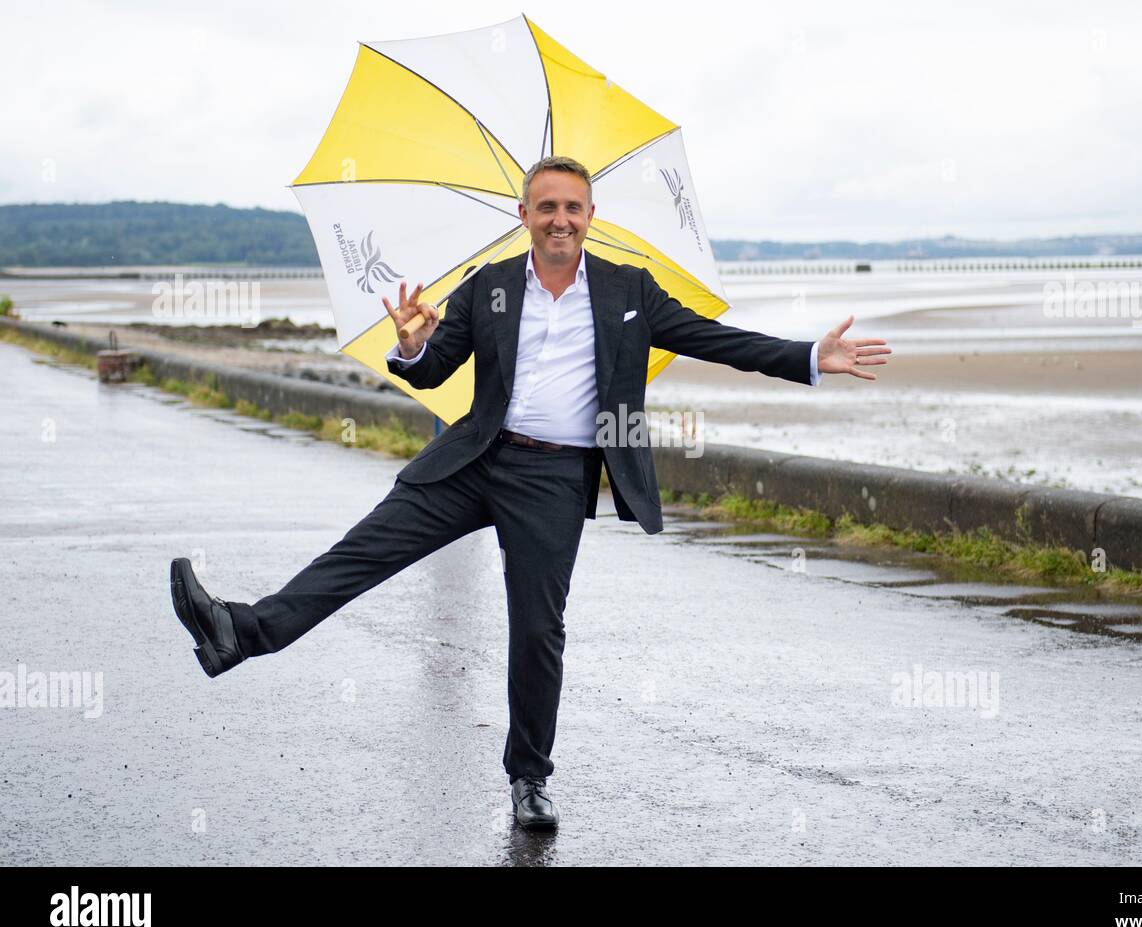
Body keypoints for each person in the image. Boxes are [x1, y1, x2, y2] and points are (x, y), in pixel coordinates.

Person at [169, 155, 891, 830]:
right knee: (363, 551)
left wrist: (808, 357)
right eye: (546, 206)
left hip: (553, 475)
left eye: (572, 207)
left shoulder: (628, 290)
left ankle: (529, 779)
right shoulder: (486, 285)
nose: (560, 219)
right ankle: (242, 632)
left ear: (590, 214)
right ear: (523, 214)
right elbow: (430, 368)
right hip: (475, 459)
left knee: (538, 631)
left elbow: (714, 338)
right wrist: (414, 345)